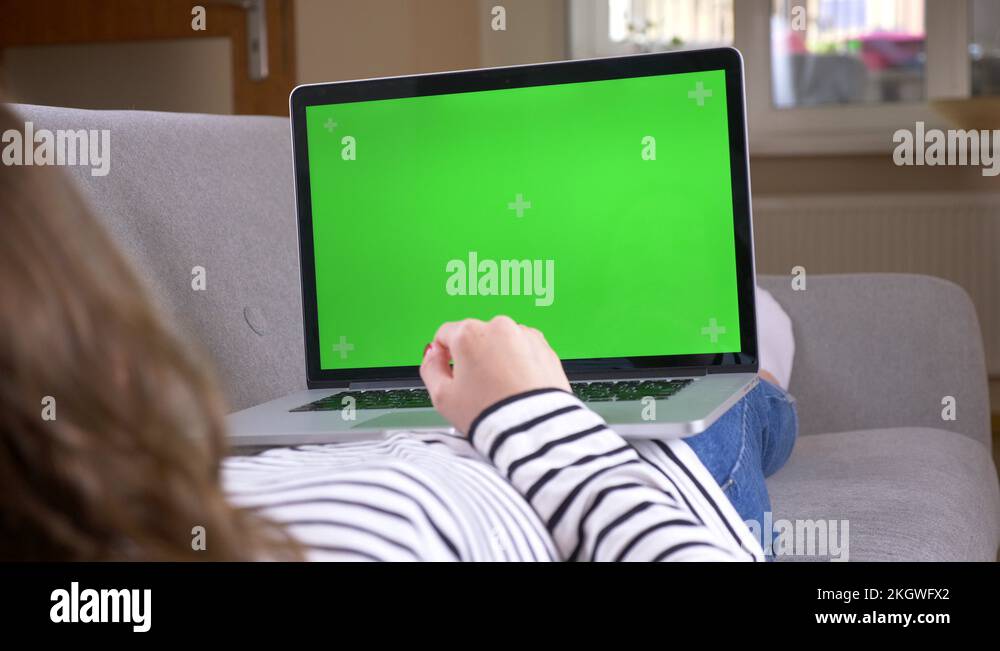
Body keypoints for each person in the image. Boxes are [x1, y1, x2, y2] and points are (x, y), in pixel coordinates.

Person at [0, 102, 796, 561]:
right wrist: (531, 415)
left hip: (421, 433)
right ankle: (759, 368)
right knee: (738, 379)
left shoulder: (98, 511)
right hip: (603, 464)